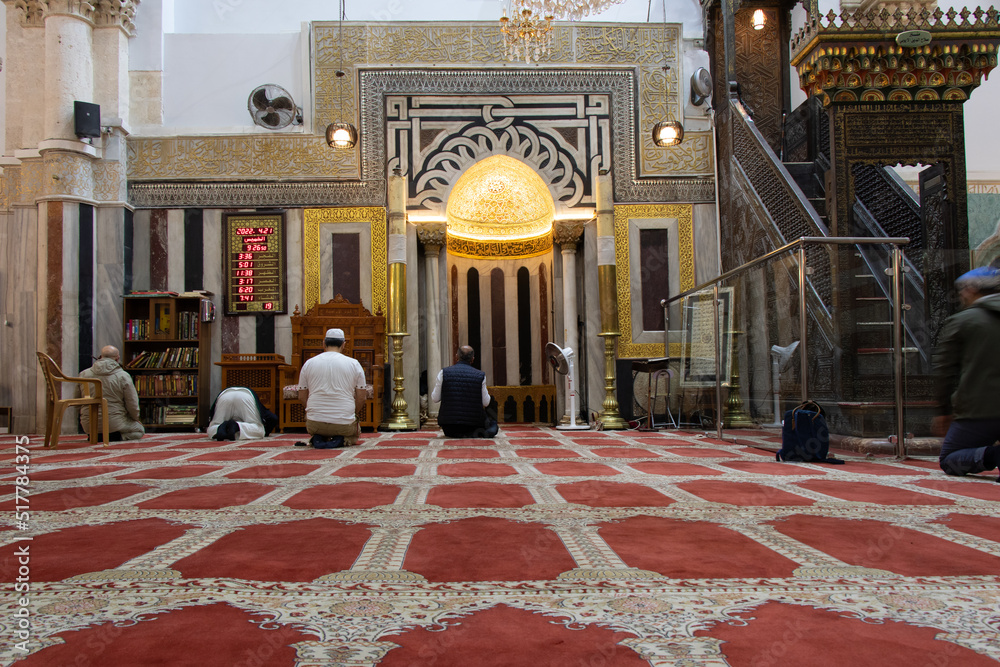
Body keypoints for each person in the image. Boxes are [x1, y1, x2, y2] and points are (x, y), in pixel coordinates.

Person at [932, 266, 1000, 481]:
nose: (961, 295)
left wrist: (943, 410)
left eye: (962, 290)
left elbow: (944, 370)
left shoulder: (963, 321)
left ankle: (994, 455)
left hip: (979, 410)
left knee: (950, 459)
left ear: (972, 289)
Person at [297, 328, 367, 447]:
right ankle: (341, 439)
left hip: (314, 424)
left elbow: (302, 396)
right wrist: (352, 413)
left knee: (317, 425)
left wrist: (313, 411)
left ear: (324, 343)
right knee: (355, 431)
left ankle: (318, 437)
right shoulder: (354, 363)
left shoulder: (309, 363)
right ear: (344, 344)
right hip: (344, 424)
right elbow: (361, 397)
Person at [79, 345, 144, 441]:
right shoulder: (123, 376)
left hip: (89, 424)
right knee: (139, 430)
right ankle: (117, 437)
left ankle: (96, 435)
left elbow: (77, 401)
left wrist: (83, 417)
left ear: (100, 357)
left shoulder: (84, 374)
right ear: (117, 358)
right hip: (115, 424)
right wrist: (135, 418)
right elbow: (132, 403)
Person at [432, 345, 498, 438]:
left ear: (456, 356)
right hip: (473, 426)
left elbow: (435, 398)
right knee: (493, 424)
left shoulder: (443, 373)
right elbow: (486, 402)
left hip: (449, 427)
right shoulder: (480, 375)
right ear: (473, 359)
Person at [206, 387, 278, 441]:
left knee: (213, 426)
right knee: (259, 428)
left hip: (225, 395)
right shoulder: (265, 413)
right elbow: (273, 418)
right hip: (246, 396)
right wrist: (266, 432)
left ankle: (219, 429)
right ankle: (236, 426)